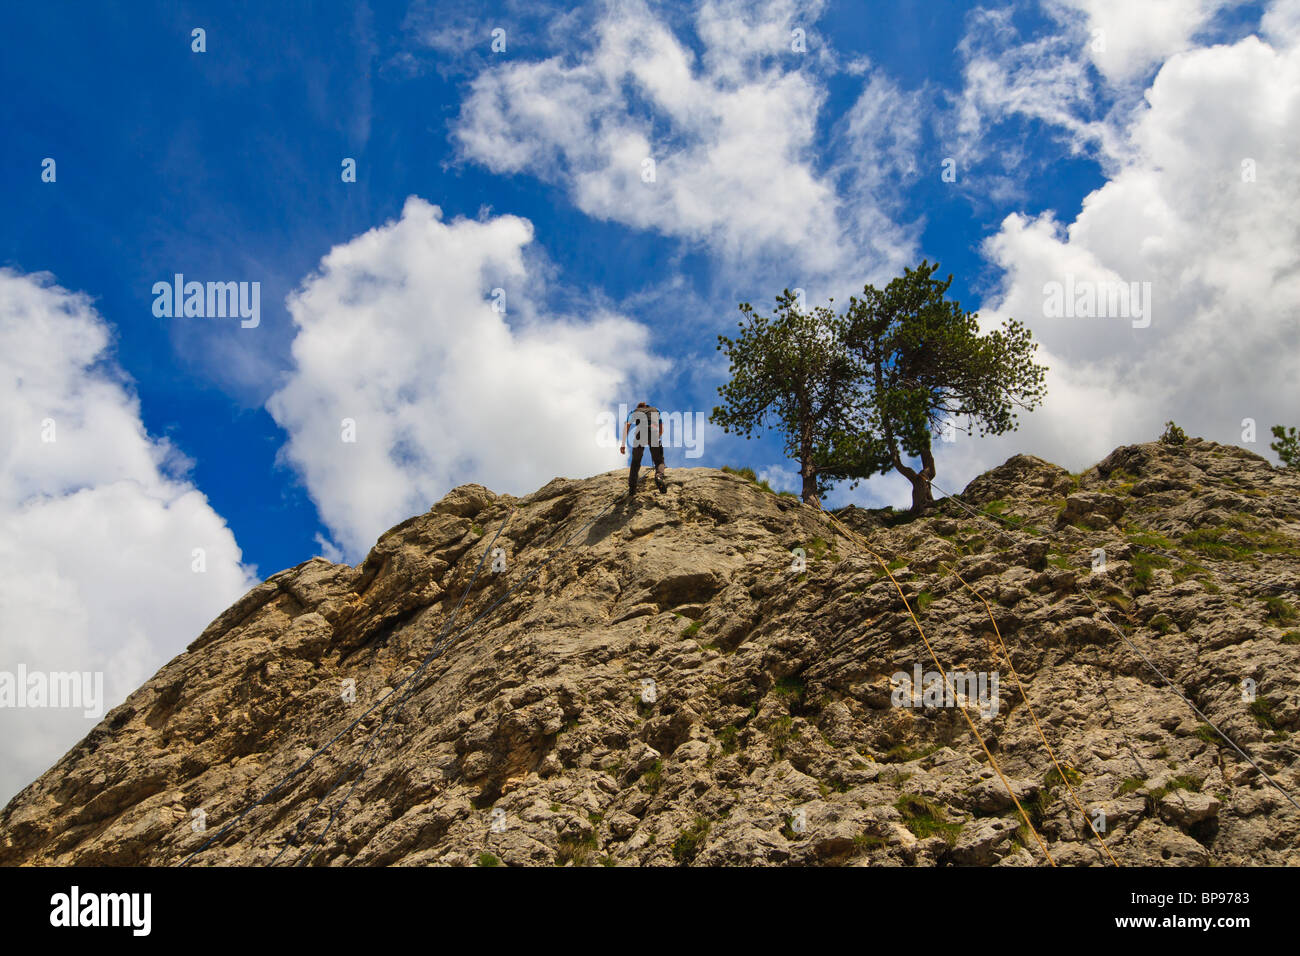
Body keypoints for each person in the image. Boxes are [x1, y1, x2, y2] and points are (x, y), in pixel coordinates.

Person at [620, 401, 667, 497]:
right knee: (659, 461)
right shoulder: (656, 410)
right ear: (646, 406)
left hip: (640, 434)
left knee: (635, 462)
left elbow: (627, 426)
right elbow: (661, 430)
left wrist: (623, 444)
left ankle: (632, 488)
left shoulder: (634, 411)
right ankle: (659, 476)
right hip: (653, 431)